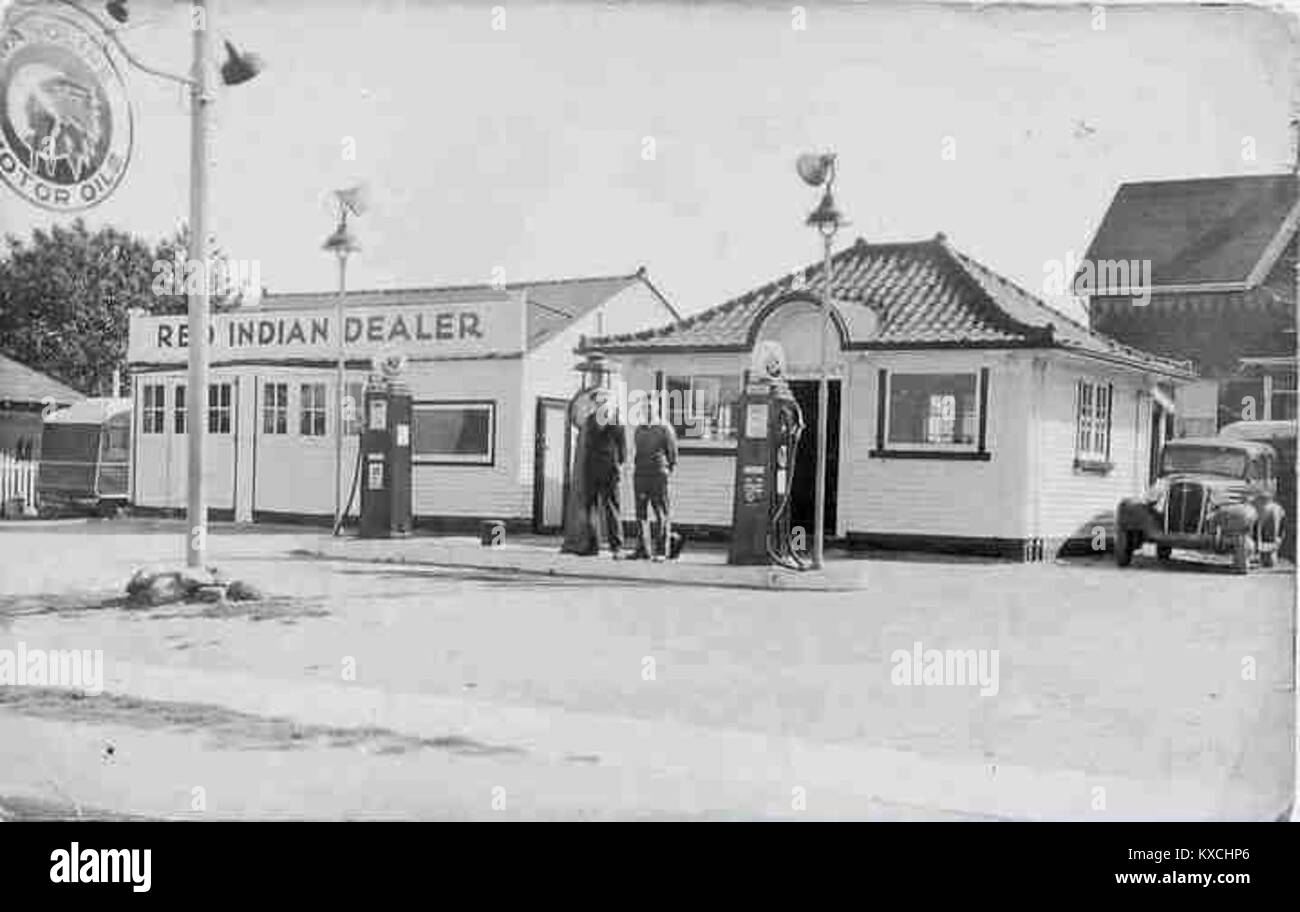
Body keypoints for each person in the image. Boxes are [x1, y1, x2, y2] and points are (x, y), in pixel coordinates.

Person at [632, 395, 678, 561]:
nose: (648, 411)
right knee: (640, 513)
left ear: (658, 409)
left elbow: (672, 454)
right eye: (646, 408)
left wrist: (666, 470)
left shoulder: (665, 428)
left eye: (651, 407)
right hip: (640, 474)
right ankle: (642, 549)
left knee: (661, 513)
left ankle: (661, 552)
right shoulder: (639, 429)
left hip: (658, 474)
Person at [583, 389, 627, 557]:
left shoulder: (617, 420)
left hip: (610, 470)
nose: (600, 404)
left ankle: (616, 546)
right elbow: (587, 445)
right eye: (597, 401)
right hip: (592, 469)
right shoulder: (590, 420)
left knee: (611, 508)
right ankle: (593, 545)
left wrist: (618, 465)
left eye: (603, 401)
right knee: (591, 507)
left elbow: (623, 448)